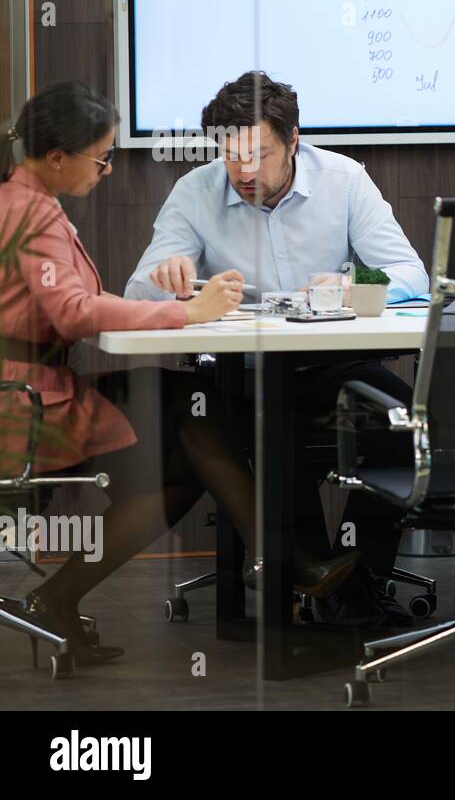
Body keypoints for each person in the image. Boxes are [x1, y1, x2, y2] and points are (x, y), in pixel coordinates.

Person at [0, 82, 356, 664]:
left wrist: (174, 309)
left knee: (182, 439)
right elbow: (72, 311)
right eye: (102, 157)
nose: (109, 170)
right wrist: (185, 311)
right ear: (58, 157)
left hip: (34, 391)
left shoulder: (25, 200)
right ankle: (277, 557)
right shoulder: (31, 211)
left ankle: (59, 598)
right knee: (185, 406)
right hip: (25, 407)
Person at [124, 72, 429, 626]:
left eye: (258, 154)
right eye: (229, 154)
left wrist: (350, 286)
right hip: (245, 372)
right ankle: (322, 583)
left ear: (293, 141)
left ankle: (357, 582)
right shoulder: (195, 192)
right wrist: (166, 276)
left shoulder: (344, 179)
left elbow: (411, 273)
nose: (242, 171)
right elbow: (137, 290)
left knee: (406, 429)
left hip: (338, 363)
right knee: (271, 428)